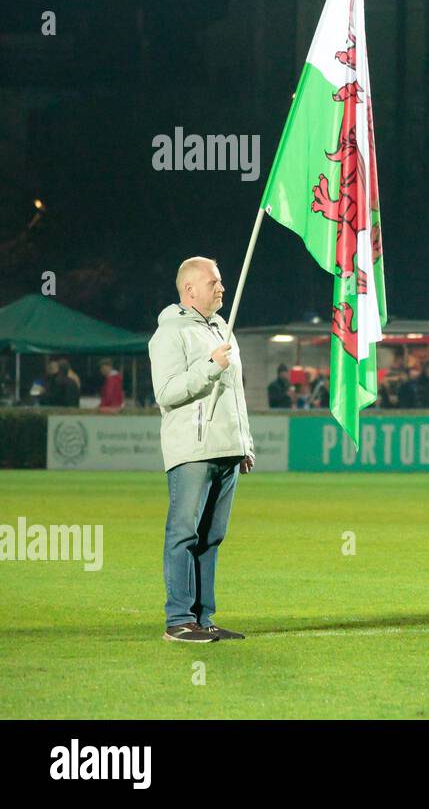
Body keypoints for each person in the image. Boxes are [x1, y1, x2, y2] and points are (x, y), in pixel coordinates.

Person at [149, 256, 254, 643]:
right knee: (184, 533)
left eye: (222, 281)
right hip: (192, 449)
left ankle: (203, 619)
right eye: (214, 282)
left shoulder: (222, 327)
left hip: (226, 448)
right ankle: (178, 620)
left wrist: (245, 443)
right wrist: (210, 365)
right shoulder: (169, 333)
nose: (222, 287)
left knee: (211, 537)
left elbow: (235, 393)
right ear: (190, 289)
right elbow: (166, 392)